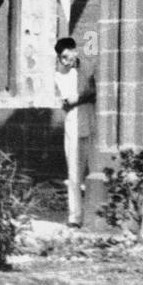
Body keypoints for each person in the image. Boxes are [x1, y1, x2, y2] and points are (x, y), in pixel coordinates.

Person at [53, 37, 96, 229]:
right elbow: (66, 101)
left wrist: (78, 97)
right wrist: (78, 98)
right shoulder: (59, 76)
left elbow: (92, 91)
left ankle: (97, 215)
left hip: (91, 120)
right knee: (74, 173)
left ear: (74, 51)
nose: (64, 61)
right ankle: (75, 216)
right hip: (73, 124)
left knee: (96, 169)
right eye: (61, 58)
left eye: (66, 56)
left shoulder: (87, 68)